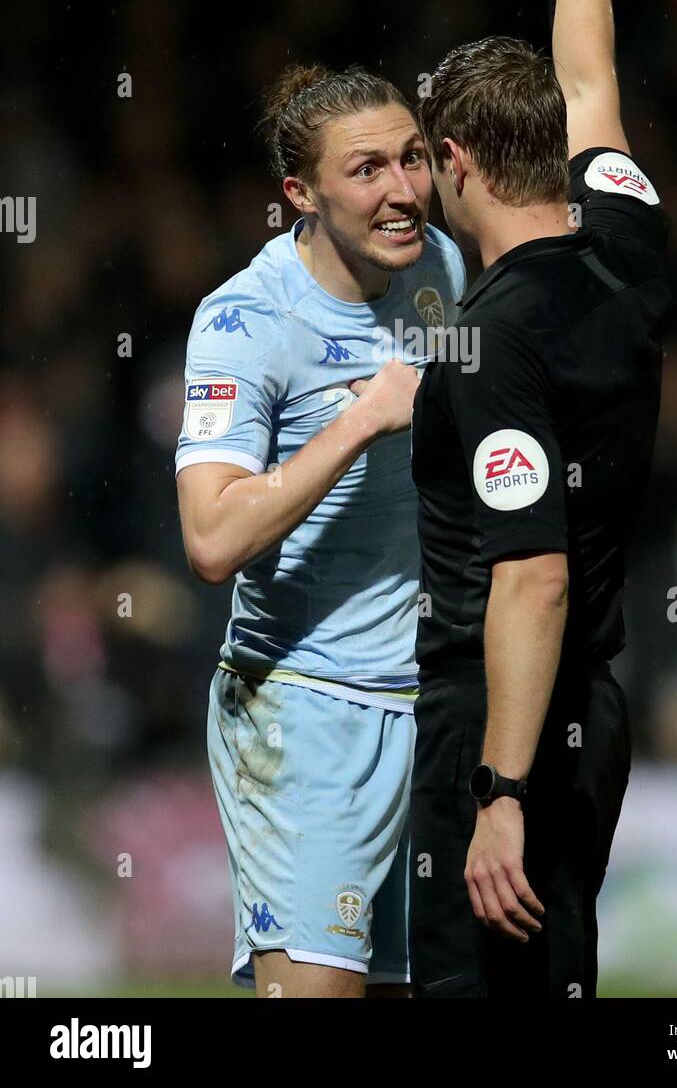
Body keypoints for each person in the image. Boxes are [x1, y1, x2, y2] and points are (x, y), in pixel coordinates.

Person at [408, 0, 672, 997]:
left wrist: (499, 794)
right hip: (596, 710)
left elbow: (535, 571)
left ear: (456, 164)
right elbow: (592, 76)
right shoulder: (624, 240)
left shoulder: (489, 339)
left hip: (503, 708)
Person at [175, 64, 466, 998]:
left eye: (413, 159)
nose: (402, 190)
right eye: (368, 169)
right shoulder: (245, 322)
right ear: (299, 194)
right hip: (303, 710)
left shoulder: (443, 271)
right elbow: (212, 541)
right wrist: (358, 420)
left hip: (430, 704)